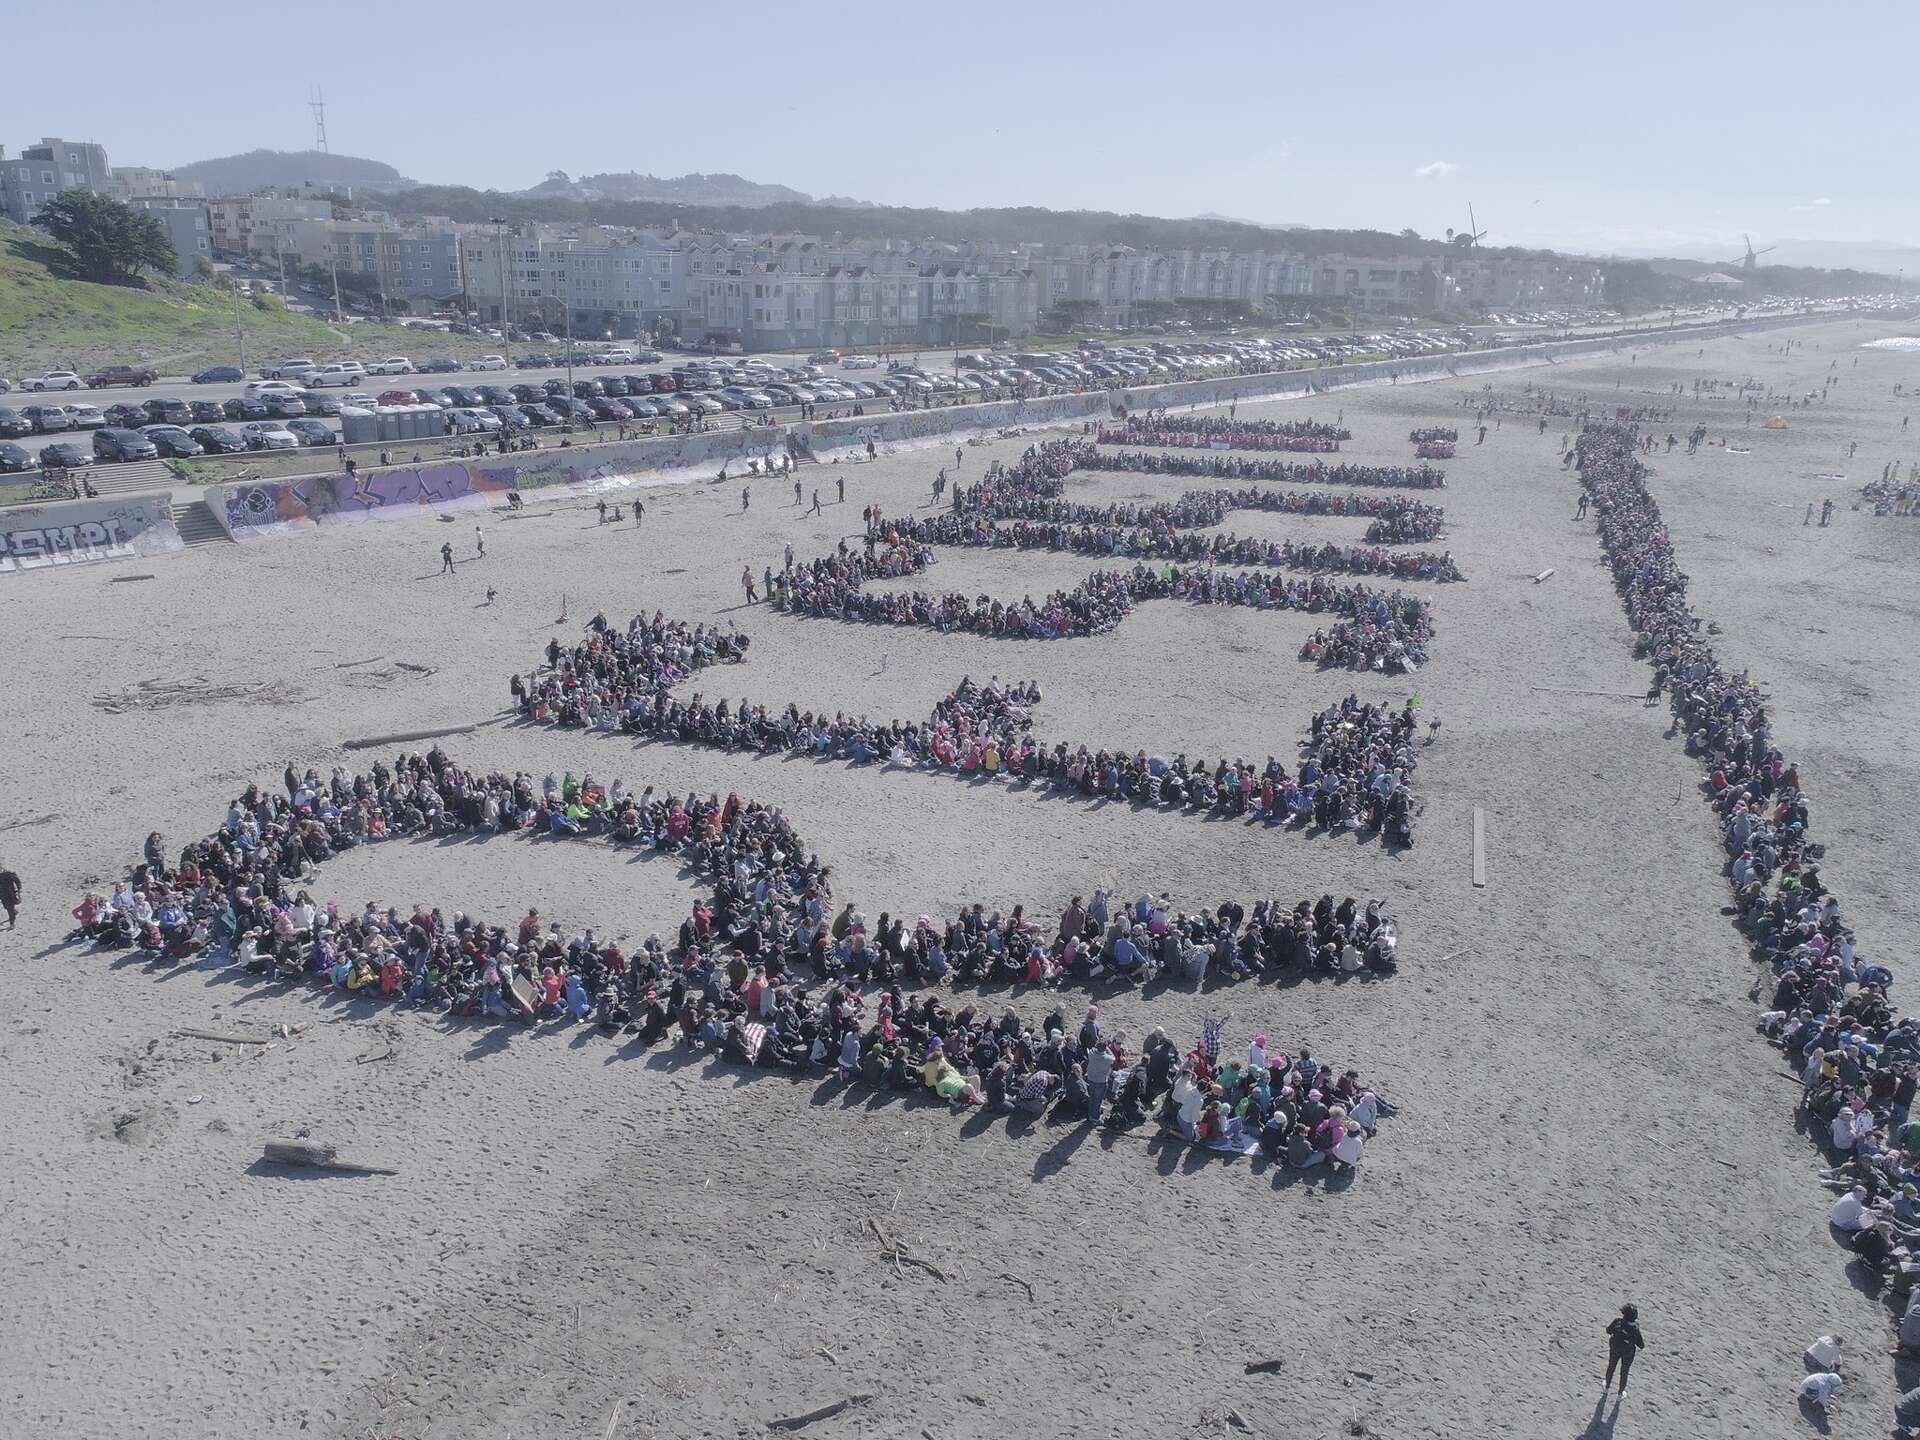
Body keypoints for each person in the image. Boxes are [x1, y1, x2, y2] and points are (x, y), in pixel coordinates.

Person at [1604, 1304, 1644, 1392]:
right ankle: (1620, 1393)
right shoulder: (1635, 1329)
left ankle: (1606, 1387)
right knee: (1624, 1372)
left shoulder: (1617, 1321)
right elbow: (1641, 1345)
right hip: (1628, 1353)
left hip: (1615, 1349)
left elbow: (1608, 1331)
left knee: (1611, 1366)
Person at [0, 862, 20, 927]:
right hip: (2, 894)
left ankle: (12, 923)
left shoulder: (8, 873)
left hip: (10, 893)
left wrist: (19, 890)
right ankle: (13, 912)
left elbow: (17, 880)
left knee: (9, 907)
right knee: (6, 906)